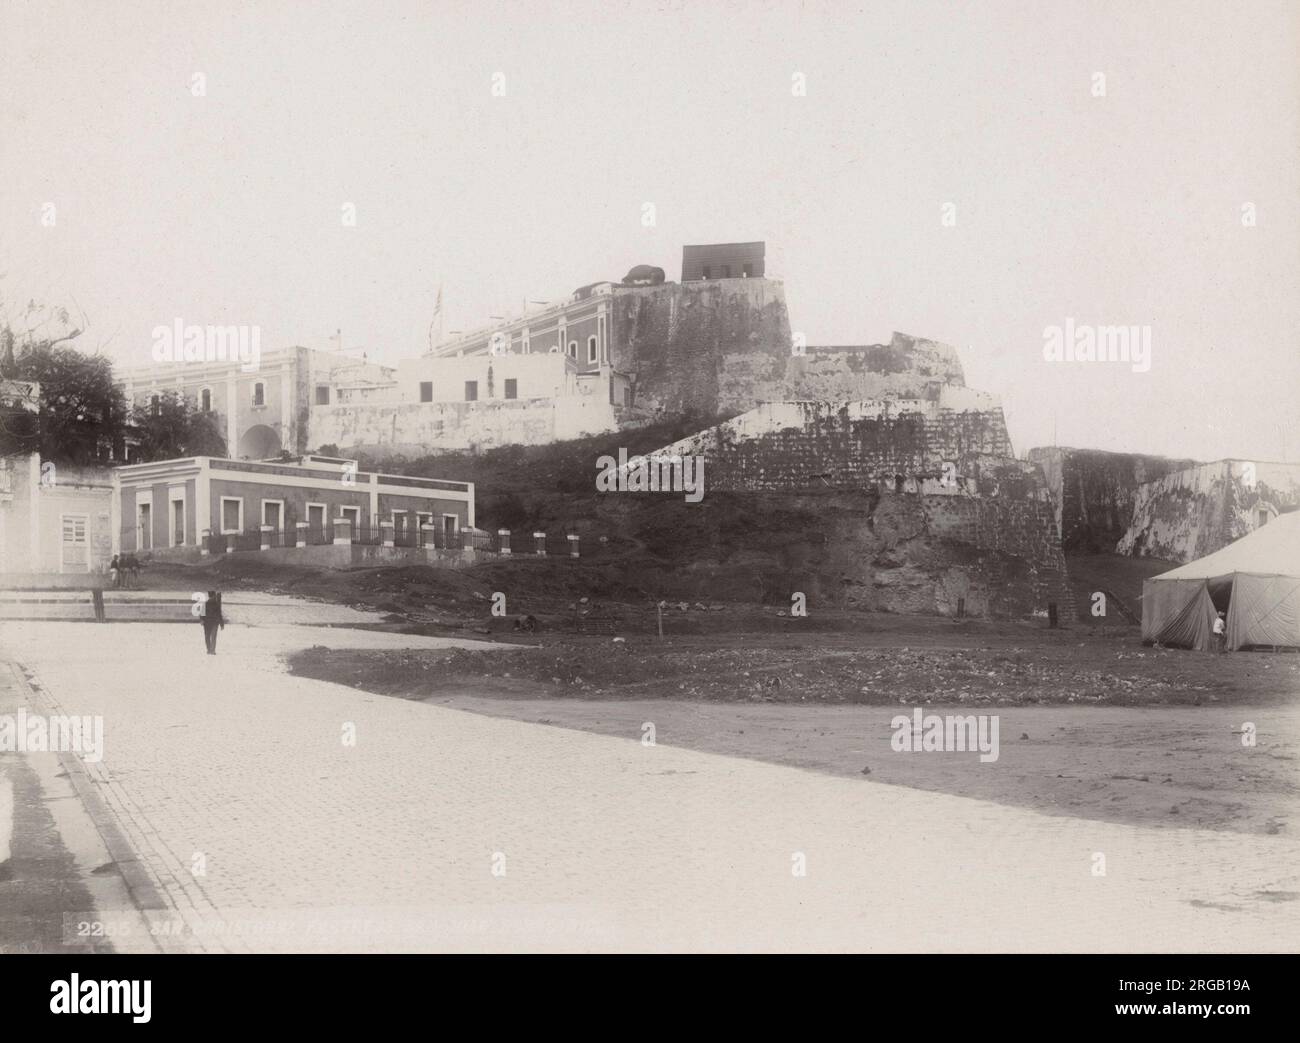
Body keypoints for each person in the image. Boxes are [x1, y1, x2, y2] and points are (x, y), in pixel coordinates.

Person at [201, 590, 225, 655]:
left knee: (207, 637)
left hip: (207, 623)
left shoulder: (205, 604)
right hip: (214, 623)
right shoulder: (216, 605)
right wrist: (222, 624)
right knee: (213, 637)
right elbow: (219, 615)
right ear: (213, 596)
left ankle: (209, 649)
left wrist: (202, 620)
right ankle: (212, 650)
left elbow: (201, 614)